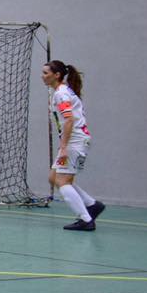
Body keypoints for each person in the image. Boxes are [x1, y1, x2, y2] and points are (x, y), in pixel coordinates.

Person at [42, 60, 103, 231]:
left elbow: (69, 120)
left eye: (46, 73)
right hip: (74, 140)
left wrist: (63, 147)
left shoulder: (61, 94)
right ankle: (92, 205)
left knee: (63, 181)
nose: (42, 76)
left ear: (57, 75)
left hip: (75, 142)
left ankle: (86, 220)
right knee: (54, 178)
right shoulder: (60, 91)